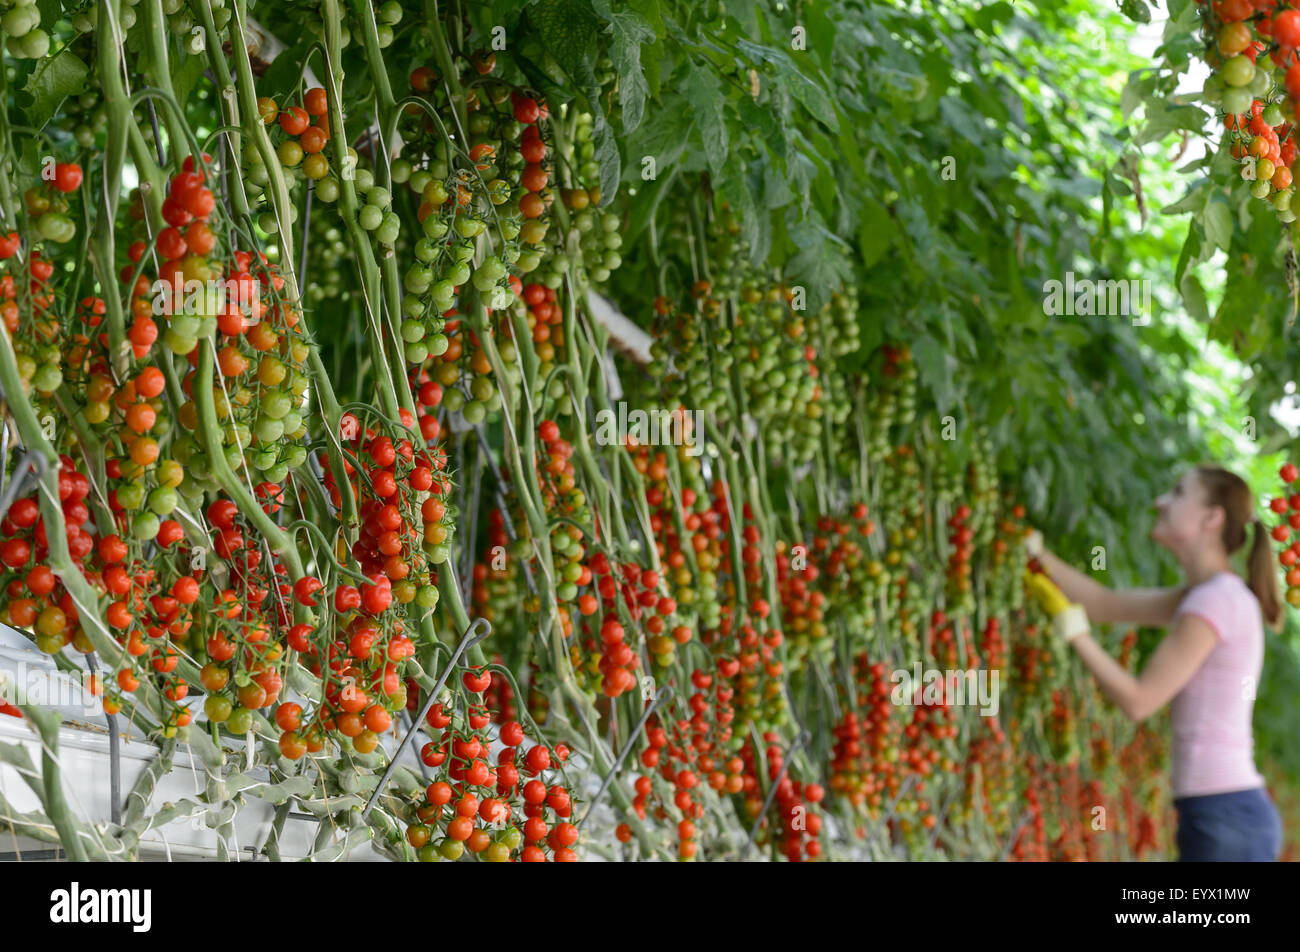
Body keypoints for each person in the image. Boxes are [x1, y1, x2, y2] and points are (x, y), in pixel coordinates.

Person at [1022, 464, 1283, 862]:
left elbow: (1139, 700)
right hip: (1225, 816)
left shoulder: (1214, 602)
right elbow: (1103, 605)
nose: (1160, 501)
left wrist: (1075, 635)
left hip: (1225, 818)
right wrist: (1037, 555)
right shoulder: (1209, 594)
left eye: (1178, 493)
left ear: (1211, 518)